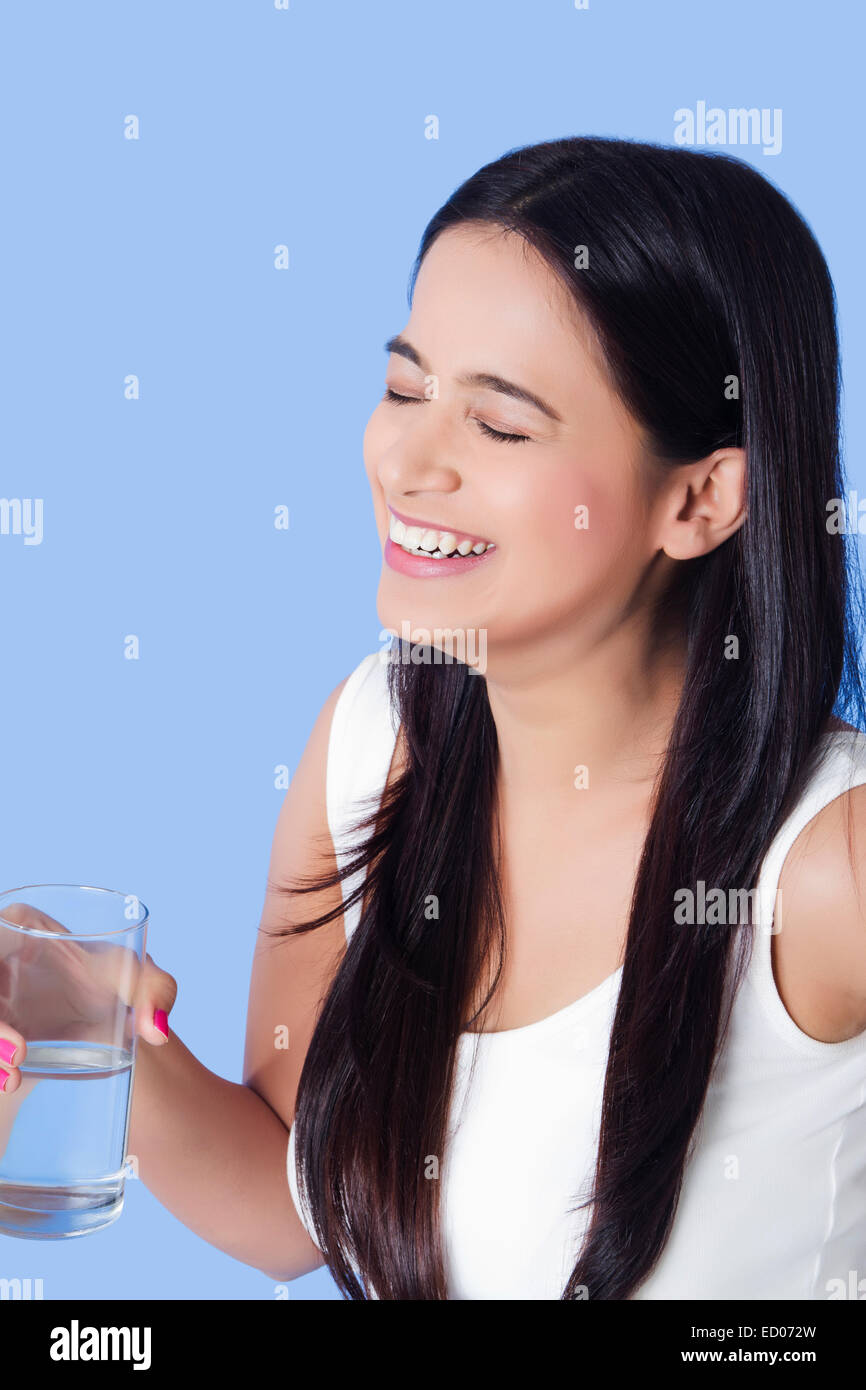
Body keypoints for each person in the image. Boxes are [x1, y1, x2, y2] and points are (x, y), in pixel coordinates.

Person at [3, 136, 865, 1300]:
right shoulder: (371, 744)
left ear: (699, 496)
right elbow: (289, 1199)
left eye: (498, 426)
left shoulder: (827, 868)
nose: (407, 461)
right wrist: (99, 1027)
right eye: (405, 387)